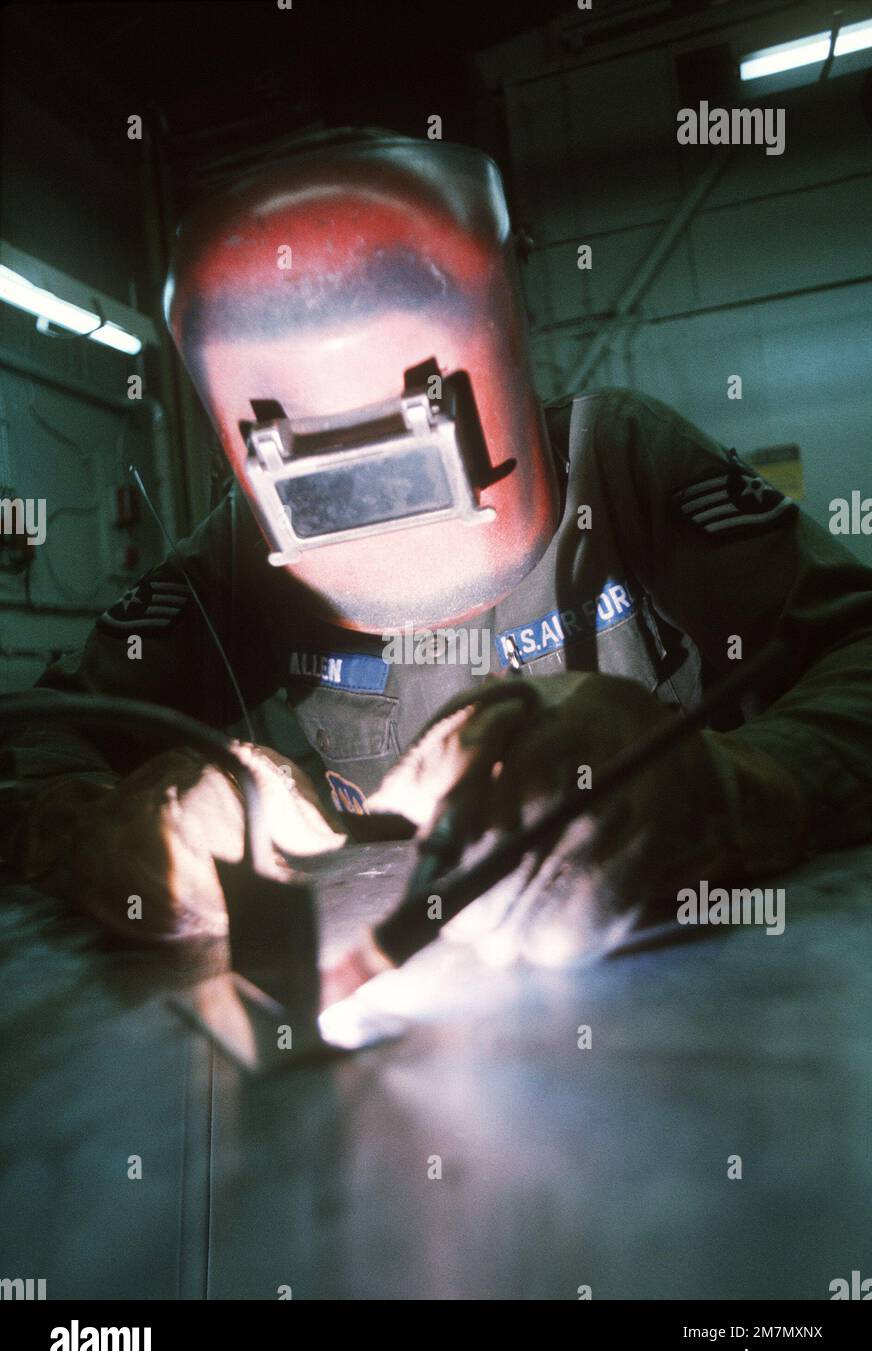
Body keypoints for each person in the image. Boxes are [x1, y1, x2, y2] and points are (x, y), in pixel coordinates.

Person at [2, 129, 871, 992]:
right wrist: (103, 826)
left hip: (673, 968)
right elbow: (41, 733)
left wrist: (744, 788)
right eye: (334, 498)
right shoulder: (241, 551)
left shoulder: (623, 462)